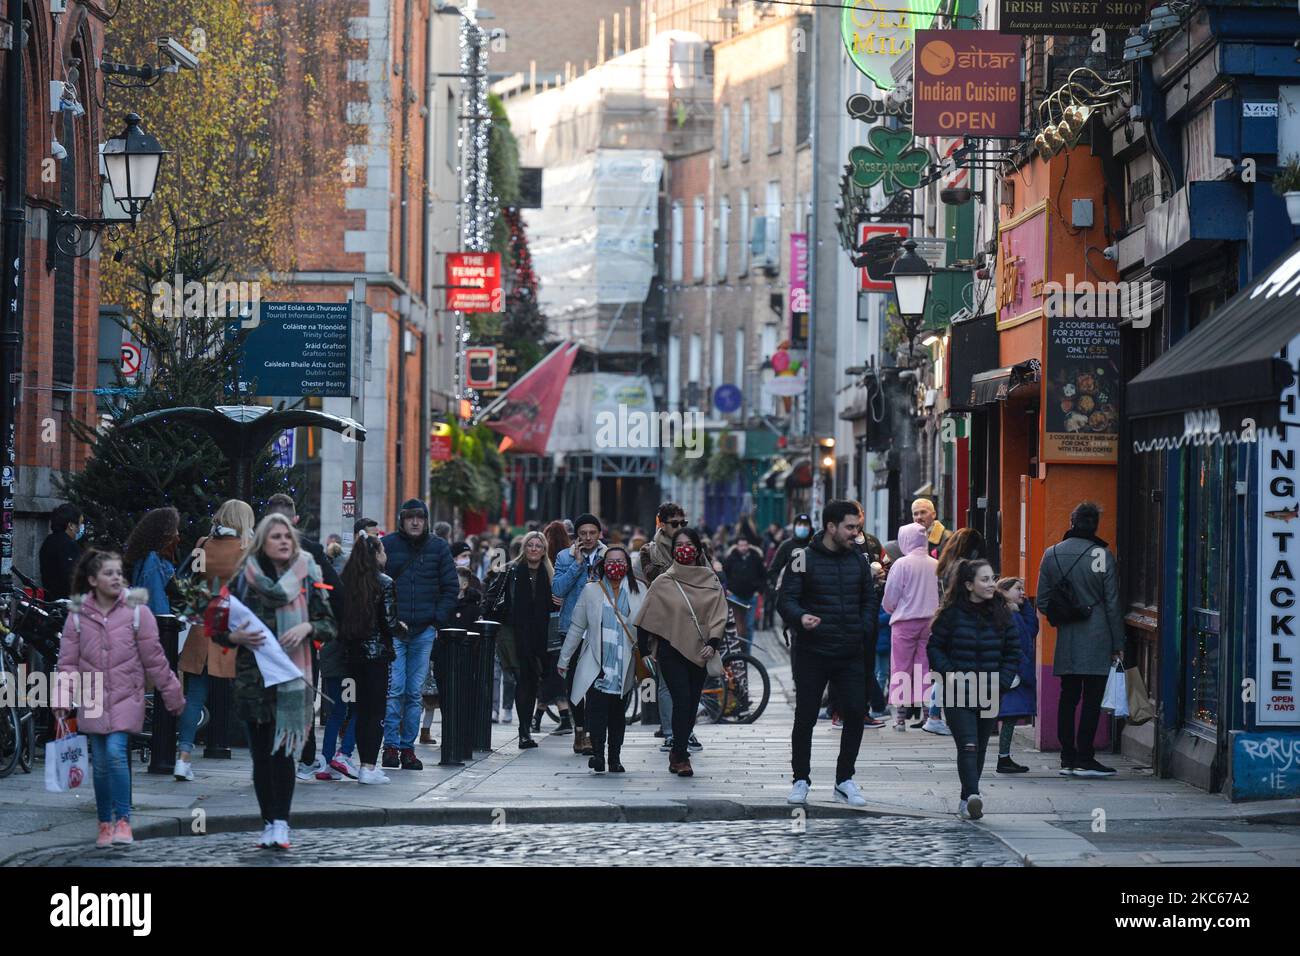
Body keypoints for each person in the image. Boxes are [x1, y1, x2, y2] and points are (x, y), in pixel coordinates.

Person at [210, 514, 336, 849]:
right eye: (276, 536)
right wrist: (233, 636)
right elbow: (216, 624)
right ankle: (268, 821)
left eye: (287, 536)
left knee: (283, 755)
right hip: (254, 679)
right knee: (261, 756)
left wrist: (307, 628)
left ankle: (281, 823)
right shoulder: (244, 576)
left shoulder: (306, 574)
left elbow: (328, 622)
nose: (284, 541)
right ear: (263, 541)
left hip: (292, 680)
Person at [53, 549, 186, 847]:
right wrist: (62, 699)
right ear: (92, 580)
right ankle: (104, 823)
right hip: (93, 697)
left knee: (114, 752)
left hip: (126, 695)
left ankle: (123, 821)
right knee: (100, 763)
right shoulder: (77, 617)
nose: (116, 578)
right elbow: (68, 663)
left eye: (118, 573)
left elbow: (155, 659)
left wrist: (172, 693)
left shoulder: (138, 612)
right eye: (108, 573)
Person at [778, 500, 878, 808]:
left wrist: (862, 627)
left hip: (850, 651)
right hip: (812, 652)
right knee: (805, 716)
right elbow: (785, 600)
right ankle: (800, 779)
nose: (855, 533)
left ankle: (844, 779)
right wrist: (801, 617)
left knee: (855, 715)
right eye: (849, 527)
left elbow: (869, 601)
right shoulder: (801, 558)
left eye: (857, 527)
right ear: (831, 527)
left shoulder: (860, 561)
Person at [927, 559, 1020, 819]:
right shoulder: (951, 613)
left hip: (989, 690)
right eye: (985, 579)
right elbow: (934, 647)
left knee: (978, 746)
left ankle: (965, 799)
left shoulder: (1002, 612)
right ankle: (973, 795)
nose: (991, 584)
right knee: (967, 745)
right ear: (969, 584)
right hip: (958, 690)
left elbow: (1013, 651)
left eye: (992, 578)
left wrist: (1002, 682)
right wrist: (950, 674)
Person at [1036, 501, 1123, 778]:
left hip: (1068, 637)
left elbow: (1042, 601)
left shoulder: (1052, 554)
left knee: (1068, 697)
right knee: (1092, 699)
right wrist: (1118, 643)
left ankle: (1067, 756)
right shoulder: (1103, 555)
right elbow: (1112, 603)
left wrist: (1064, 615)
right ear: (1094, 525)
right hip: (1098, 636)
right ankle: (1085, 756)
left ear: (1072, 522)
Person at [264, 493, 345, 779]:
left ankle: (284, 758)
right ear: (297, 519)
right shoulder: (309, 550)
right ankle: (302, 759)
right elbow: (336, 593)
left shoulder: (257, 551)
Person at [173, 499, 255, 782]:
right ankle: (260, 762)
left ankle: (183, 758)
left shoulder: (203, 543)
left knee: (195, 695)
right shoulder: (247, 549)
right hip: (234, 628)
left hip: (204, 626)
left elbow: (191, 580)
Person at [634, 527, 726, 777]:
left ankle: (678, 749)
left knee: (691, 703)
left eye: (689, 544)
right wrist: (644, 651)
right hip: (671, 650)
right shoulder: (665, 580)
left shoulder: (710, 579)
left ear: (698, 549)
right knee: (682, 700)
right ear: (673, 551)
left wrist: (714, 643)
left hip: (700, 652)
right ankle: (681, 754)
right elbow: (646, 617)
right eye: (679, 545)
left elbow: (719, 613)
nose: (684, 549)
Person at [380, 499, 457, 770]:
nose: (415, 522)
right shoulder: (388, 545)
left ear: (426, 520)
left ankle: (406, 748)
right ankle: (390, 746)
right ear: (402, 519)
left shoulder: (437, 547)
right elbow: (376, 584)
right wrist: (387, 622)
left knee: (414, 693)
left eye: (420, 517)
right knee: (395, 690)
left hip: (424, 630)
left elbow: (450, 587)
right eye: (410, 517)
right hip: (395, 630)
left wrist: (436, 621)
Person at [559, 545, 645, 773]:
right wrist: (564, 658)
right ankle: (598, 755)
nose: (615, 566)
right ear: (602, 565)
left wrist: (651, 653)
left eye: (620, 561)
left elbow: (647, 627)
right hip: (596, 663)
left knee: (617, 715)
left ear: (627, 565)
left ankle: (614, 759)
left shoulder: (640, 590)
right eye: (610, 561)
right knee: (596, 712)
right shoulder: (591, 591)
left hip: (624, 664)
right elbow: (577, 627)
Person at [339, 533, 403, 784]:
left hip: (350, 656)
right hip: (376, 656)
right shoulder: (385, 582)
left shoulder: (345, 581)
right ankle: (368, 766)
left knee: (356, 709)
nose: (385, 555)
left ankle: (356, 760)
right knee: (375, 712)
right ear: (376, 554)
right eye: (382, 550)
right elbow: (389, 622)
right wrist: (403, 629)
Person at [486, 530, 554, 748]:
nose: (534, 549)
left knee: (533, 680)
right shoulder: (511, 570)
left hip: (540, 634)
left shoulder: (551, 574)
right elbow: (492, 597)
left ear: (544, 550)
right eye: (530, 545)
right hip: (512, 631)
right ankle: (524, 731)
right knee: (523, 678)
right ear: (524, 548)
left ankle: (526, 728)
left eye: (538, 545)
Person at [553, 513, 608, 757]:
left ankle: (593, 732)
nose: (587, 538)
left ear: (599, 534)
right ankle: (579, 730)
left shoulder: (609, 556)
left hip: (601, 627)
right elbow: (558, 589)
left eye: (592, 533)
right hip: (572, 626)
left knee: (597, 683)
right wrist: (576, 565)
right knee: (575, 682)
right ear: (576, 536)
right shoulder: (564, 556)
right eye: (582, 533)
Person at [881, 523, 940, 732]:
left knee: (901, 668)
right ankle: (927, 714)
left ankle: (900, 718)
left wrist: (891, 609)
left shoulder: (901, 564)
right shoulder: (935, 563)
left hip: (905, 622)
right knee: (925, 668)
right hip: (930, 621)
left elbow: (890, 595)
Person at [995, 577, 1038, 773]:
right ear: (1003, 591)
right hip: (1013, 672)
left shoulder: (1015, 612)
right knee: (1007, 715)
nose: (1022, 592)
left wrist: (1025, 603)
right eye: (1018, 589)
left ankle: (1004, 758)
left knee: (1009, 716)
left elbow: (1032, 629)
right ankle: (1002, 758)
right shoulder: (1005, 614)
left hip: (1018, 671)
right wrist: (1021, 665)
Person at [124, 506, 181, 617]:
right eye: (175, 529)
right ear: (165, 533)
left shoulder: (145, 557)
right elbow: (156, 606)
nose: (178, 534)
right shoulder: (154, 563)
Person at [722, 537, 766, 651]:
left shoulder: (755, 559)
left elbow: (763, 576)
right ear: (737, 546)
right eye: (741, 545)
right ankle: (738, 653)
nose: (743, 548)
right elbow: (723, 575)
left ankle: (747, 653)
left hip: (751, 597)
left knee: (749, 626)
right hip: (735, 597)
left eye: (745, 545)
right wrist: (727, 589)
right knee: (736, 626)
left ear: (748, 545)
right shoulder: (731, 559)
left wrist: (759, 591)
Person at [39, 503, 83, 601]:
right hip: (65, 603)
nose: (80, 528)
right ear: (71, 525)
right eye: (79, 524)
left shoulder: (49, 541)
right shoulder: (68, 545)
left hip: (50, 600)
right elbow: (71, 577)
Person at [639, 502, 686, 584]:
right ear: (663, 525)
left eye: (683, 523)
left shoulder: (695, 546)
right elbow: (654, 579)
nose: (680, 527)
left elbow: (707, 576)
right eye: (674, 524)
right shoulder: (648, 551)